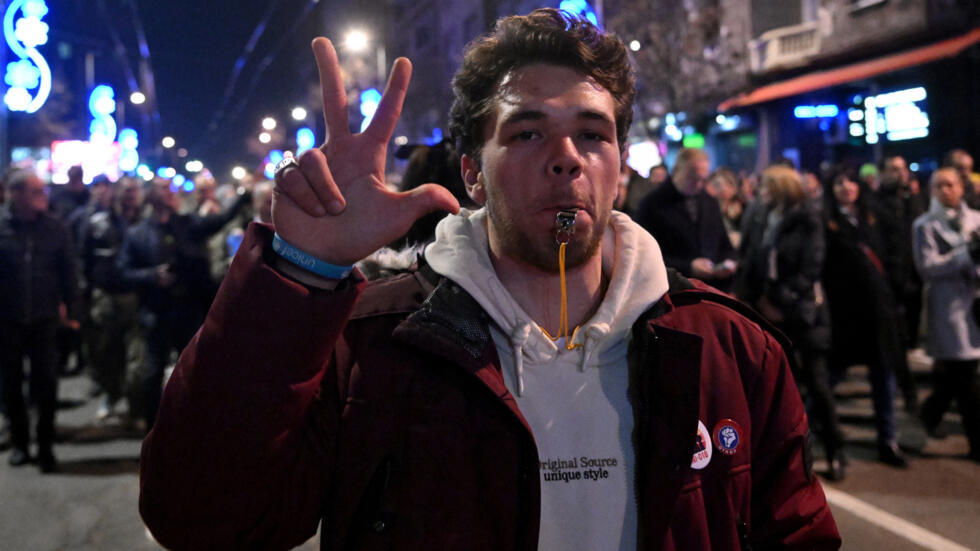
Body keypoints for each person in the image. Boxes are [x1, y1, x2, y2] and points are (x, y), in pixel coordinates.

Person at [139, 10, 839, 550]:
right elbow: (201, 516)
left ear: (620, 167)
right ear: (471, 171)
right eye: (527, 133)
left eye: (592, 135)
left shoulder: (731, 349)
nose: (567, 158)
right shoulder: (375, 347)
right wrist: (298, 272)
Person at [735, 165, 847, 479]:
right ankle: (789, 457)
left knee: (817, 383)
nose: (761, 192)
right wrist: (752, 300)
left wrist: (780, 301)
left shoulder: (807, 218)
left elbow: (811, 268)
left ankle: (835, 449)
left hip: (803, 313)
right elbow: (751, 259)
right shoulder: (760, 215)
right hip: (766, 310)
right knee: (779, 387)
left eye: (768, 186)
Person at [118, 177, 249, 432]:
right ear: (152, 196)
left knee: (192, 371)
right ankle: (153, 429)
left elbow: (218, 220)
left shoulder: (186, 224)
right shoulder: (138, 234)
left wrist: (240, 197)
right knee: (151, 373)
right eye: (165, 189)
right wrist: (153, 276)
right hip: (156, 312)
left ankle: (191, 426)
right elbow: (123, 272)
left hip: (187, 310)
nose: (171, 193)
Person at [823, 171, 911, 466]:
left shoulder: (875, 218)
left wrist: (897, 292)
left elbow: (894, 255)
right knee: (829, 377)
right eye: (839, 182)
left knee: (883, 377)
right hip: (844, 313)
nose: (846, 186)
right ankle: (807, 429)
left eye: (849, 181)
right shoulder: (827, 222)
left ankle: (888, 441)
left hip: (878, 310)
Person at [0, 169, 80, 473]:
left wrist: (74, 312)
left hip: (45, 320)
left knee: (46, 383)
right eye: (36, 192)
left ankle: (45, 445)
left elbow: (69, 271)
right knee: (10, 384)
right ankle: (20, 443)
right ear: (16, 194)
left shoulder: (54, 228)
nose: (43, 197)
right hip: (7, 320)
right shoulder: (2, 226)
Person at [912, 168, 980, 462]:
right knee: (966, 380)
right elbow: (927, 267)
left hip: (974, 308)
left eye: (950, 185)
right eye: (939, 186)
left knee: (953, 379)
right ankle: (976, 441)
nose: (945, 190)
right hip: (946, 310)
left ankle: (926, 417)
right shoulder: (924, 225)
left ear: (961, 188)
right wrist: (965, 255)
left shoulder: (976, 220)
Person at [78, 176, 144, 420]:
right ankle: (111, 393)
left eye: (134, 191)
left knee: (137, 359)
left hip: (137, 296)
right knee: (105, 351)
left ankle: (135, 407)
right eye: (125, 190)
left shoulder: (147, 223)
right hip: (105, 296)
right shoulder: (98, 223)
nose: (130, 195)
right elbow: (82, 258)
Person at [634, 148, 738, 292]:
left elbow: (724, 244)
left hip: (711, 289)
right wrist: (688, 266)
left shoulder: (709, 202)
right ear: (676, 170)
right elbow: (644, 256)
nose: (698, 184)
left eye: (703, 179)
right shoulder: (651, 204)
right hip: (674, 292)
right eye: (693, 178)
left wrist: (727, 263)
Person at [872, 155, 926, 350]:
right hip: (889, 276)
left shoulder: (914, 200)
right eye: (894, 169)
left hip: (914, 274)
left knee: (912, 329)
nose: (902, 173)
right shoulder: (874, 203)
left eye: (903, 168)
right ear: (883, 173)